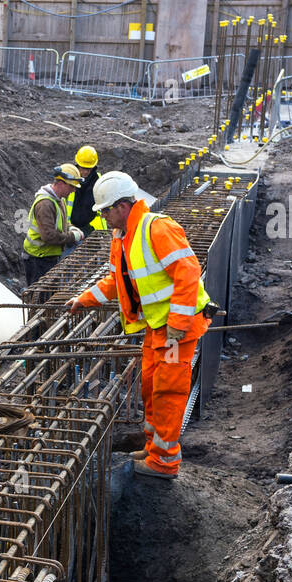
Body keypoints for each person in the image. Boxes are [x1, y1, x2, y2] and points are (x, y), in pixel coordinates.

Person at [66, 172, 212, 481]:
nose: (102, 217)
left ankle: (165, 462)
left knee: (168, 390)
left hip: (176, 331)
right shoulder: (122, 237)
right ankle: (152, 447)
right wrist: (84, 299)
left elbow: (188, 273)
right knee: (149, 385)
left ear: (122, 206)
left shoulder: (157, 228)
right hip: (157, 328)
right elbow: (116, 281)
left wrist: (177, 325)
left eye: (105, 211)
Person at [21, 163, 84, 288]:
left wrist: (70, 227)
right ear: (60, 183)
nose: (74, 190)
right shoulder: (45, 203)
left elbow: (61, 223)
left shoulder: (58, 200)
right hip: (38, 259)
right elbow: (49, 236)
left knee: (48, 296)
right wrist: (73, 236)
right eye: (71, 186)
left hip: (47, 257)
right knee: (40, 301)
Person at [69, 145, 106, 234]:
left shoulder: (98, 181)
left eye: (88, 169)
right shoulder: (69, 179)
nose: (85, 172)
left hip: (92, 229)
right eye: (83, 168)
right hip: (69, 227)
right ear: (77, 164)